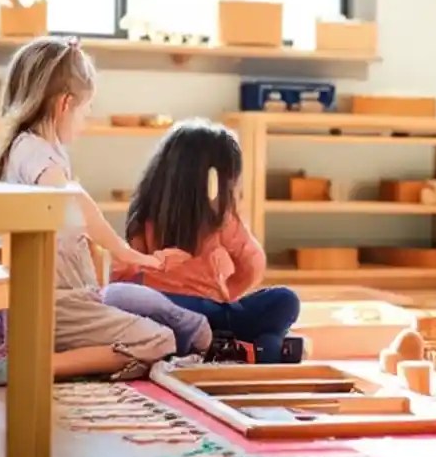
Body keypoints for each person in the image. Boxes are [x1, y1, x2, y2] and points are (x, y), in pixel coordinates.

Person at [0, 37, 211, 385]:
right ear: (65, 104)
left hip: (67, 299)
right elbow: (75, 200)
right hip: (57, 305)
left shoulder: (28, 149)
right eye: (86, 109)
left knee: (152, 319)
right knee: (159, 339)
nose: (85, 119)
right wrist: (131, 254)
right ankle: (39, 367)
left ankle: (65, 361)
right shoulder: (36, 153)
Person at [103, 119, 300, 363]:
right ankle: (260, 346)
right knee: (285, 300)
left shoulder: (144, 213)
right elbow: (253, 265)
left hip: (163, 311)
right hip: (209, 312)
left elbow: (127, 276)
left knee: (130, 302)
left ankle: (213, 344)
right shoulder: (219, 217)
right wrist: (228, 301)